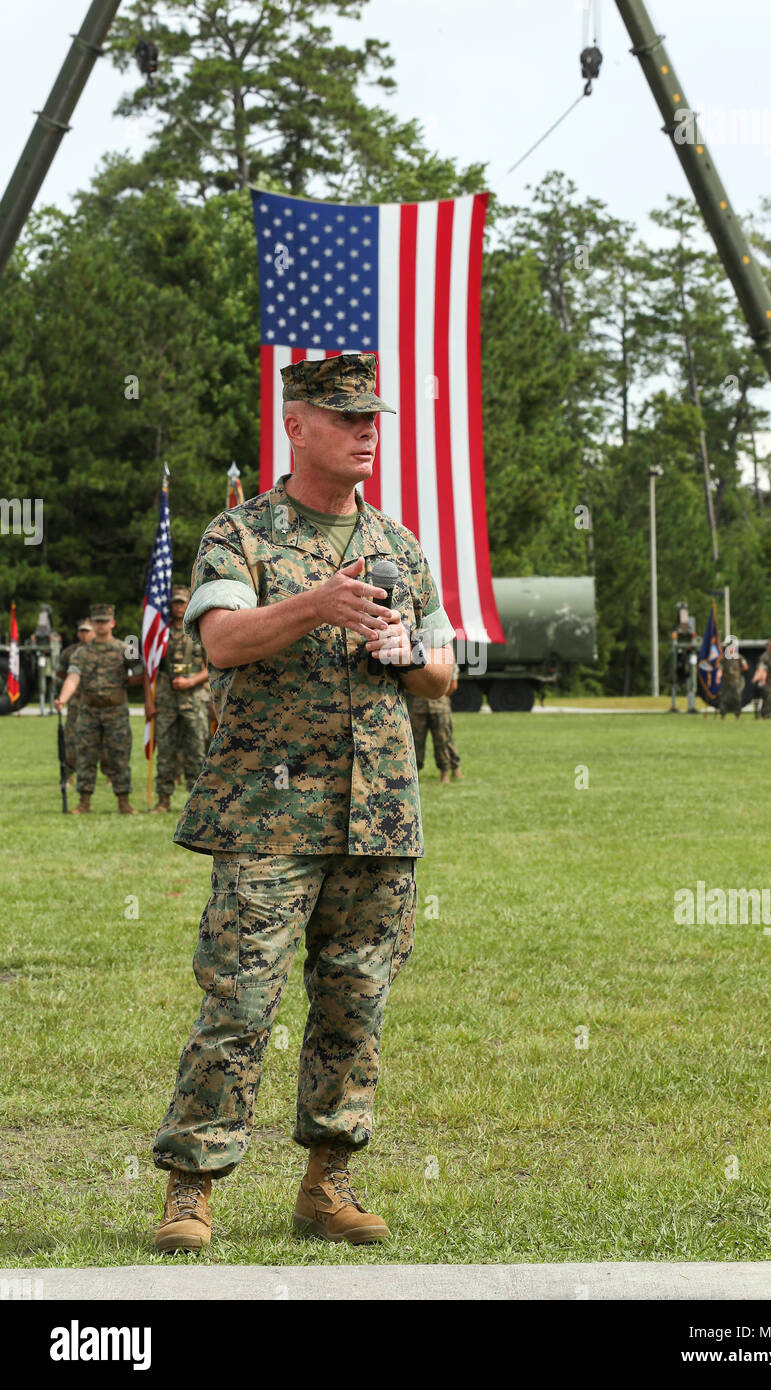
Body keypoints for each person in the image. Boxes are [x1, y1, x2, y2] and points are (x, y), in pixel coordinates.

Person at [152, 353, 455, 1253]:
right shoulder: (240, 533)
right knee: (242, 999)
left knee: (354, 1004)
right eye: (348, 417)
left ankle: (327, 1185)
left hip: (380, 814)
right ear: (296, 425)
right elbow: (221, 643)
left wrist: (407, 653)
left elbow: (443, 672)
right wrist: (319, 603)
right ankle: (191, 1190)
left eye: (375, 419)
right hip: (269, 811)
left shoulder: (400, 545)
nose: (368, 432)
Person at [53, 603, 137, 814]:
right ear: (92, 624)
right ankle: (84, 803)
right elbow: (73, 677)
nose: (101, 625)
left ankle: (124, 802)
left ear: (112, 623)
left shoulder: (125, 649)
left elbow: (142, 674)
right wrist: (63, 698)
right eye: (97, 621)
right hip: (88, 711)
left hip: (116, 711)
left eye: (104, 621)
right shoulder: (81, 653)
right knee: (86, 756)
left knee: (119, 756)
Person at [146, 585, 210, 813]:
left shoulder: (200, 630)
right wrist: (149, 702)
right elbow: (150, 670)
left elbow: (212, 666)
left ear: (189, 603)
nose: (179, 606)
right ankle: (163, 800)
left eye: (183, 602)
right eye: (176, 603)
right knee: (165, 751)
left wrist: (191, 681)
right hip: (166, 701)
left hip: (194, 700)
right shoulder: (160, 635)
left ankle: (197, 803)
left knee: (196, 751)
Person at [407, 656, 463, 783]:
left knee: (443, 739)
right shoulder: (414, 654)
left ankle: (448, 770)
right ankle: (414, 773)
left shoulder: (444, 657)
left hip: (437, 706)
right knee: (416, 741)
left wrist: (438, 694)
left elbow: (453, 685)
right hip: (419, 706)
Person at [55, 619, 95, 783]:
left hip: (95, 701)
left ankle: (109, 774)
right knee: (71, 738)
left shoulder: (102, 649)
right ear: (78, 633)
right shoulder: (70, 652)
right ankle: (69, 774)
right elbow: (60, 672)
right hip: (75, 702)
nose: (84, 634)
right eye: (82, 631)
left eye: (88, 631)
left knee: (102, 740)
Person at [717, 639, 748, 719]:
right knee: (724, 698)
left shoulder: (739, 657)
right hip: (726, 680)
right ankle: (723, 715)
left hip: (736, 681)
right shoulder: (723, 658)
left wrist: (737, 672)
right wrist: (718, 677)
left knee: (737, 697)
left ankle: (738, 715)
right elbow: (719, 668)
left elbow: (745, 667)